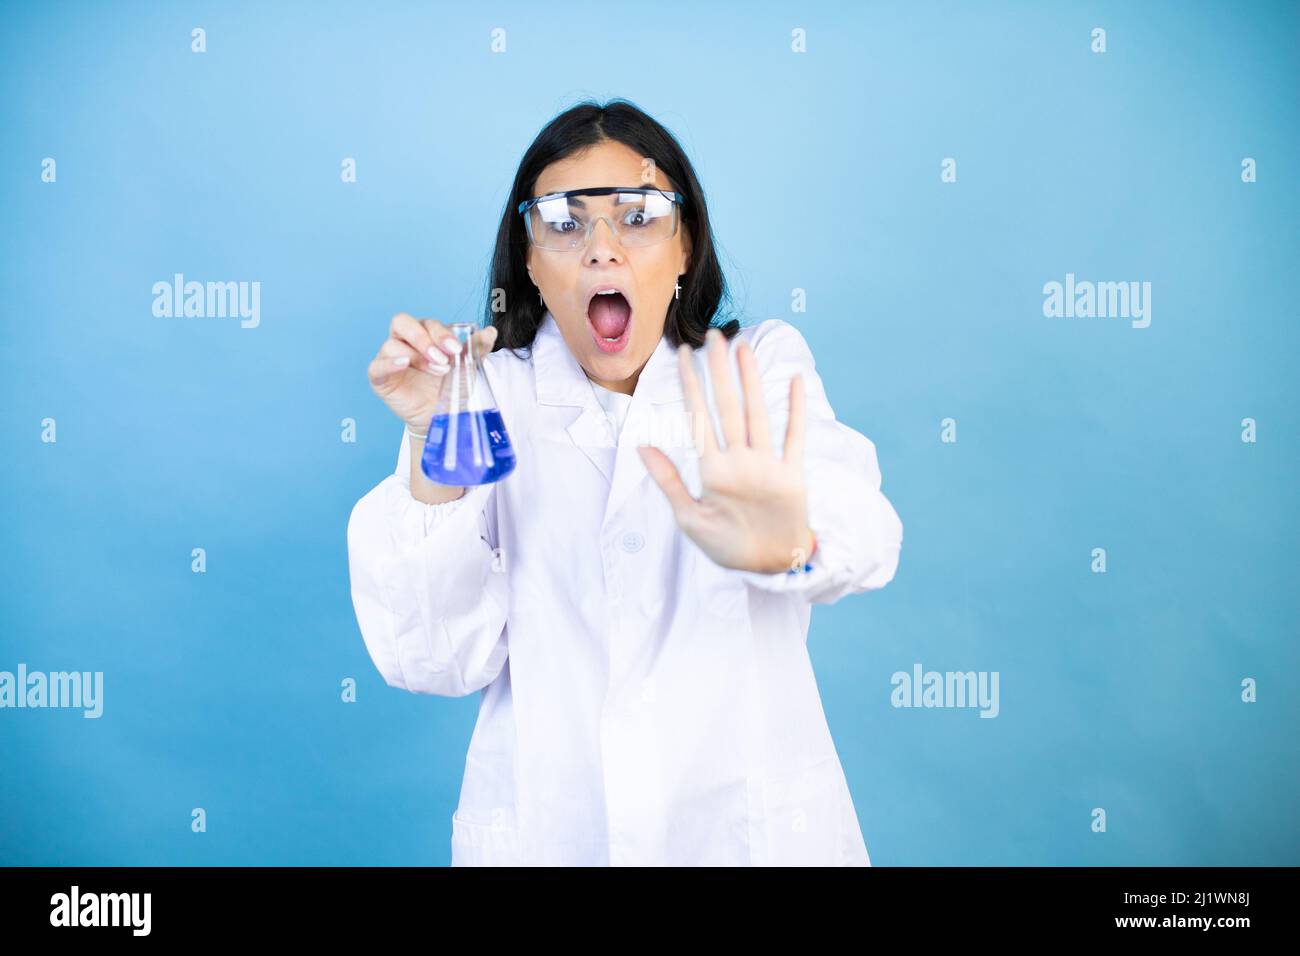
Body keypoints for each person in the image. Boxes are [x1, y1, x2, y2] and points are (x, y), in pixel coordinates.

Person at [346, 98, 904, 866]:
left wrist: (791, 544)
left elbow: (864, 533)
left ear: (685, 249)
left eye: (638, 217)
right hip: (552, 836)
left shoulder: (756, 368)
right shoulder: (486, 400)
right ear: (533, 263)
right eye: (565, 224)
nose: (602, 250)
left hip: (751, 838)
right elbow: (433, 659)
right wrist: (428, 432)